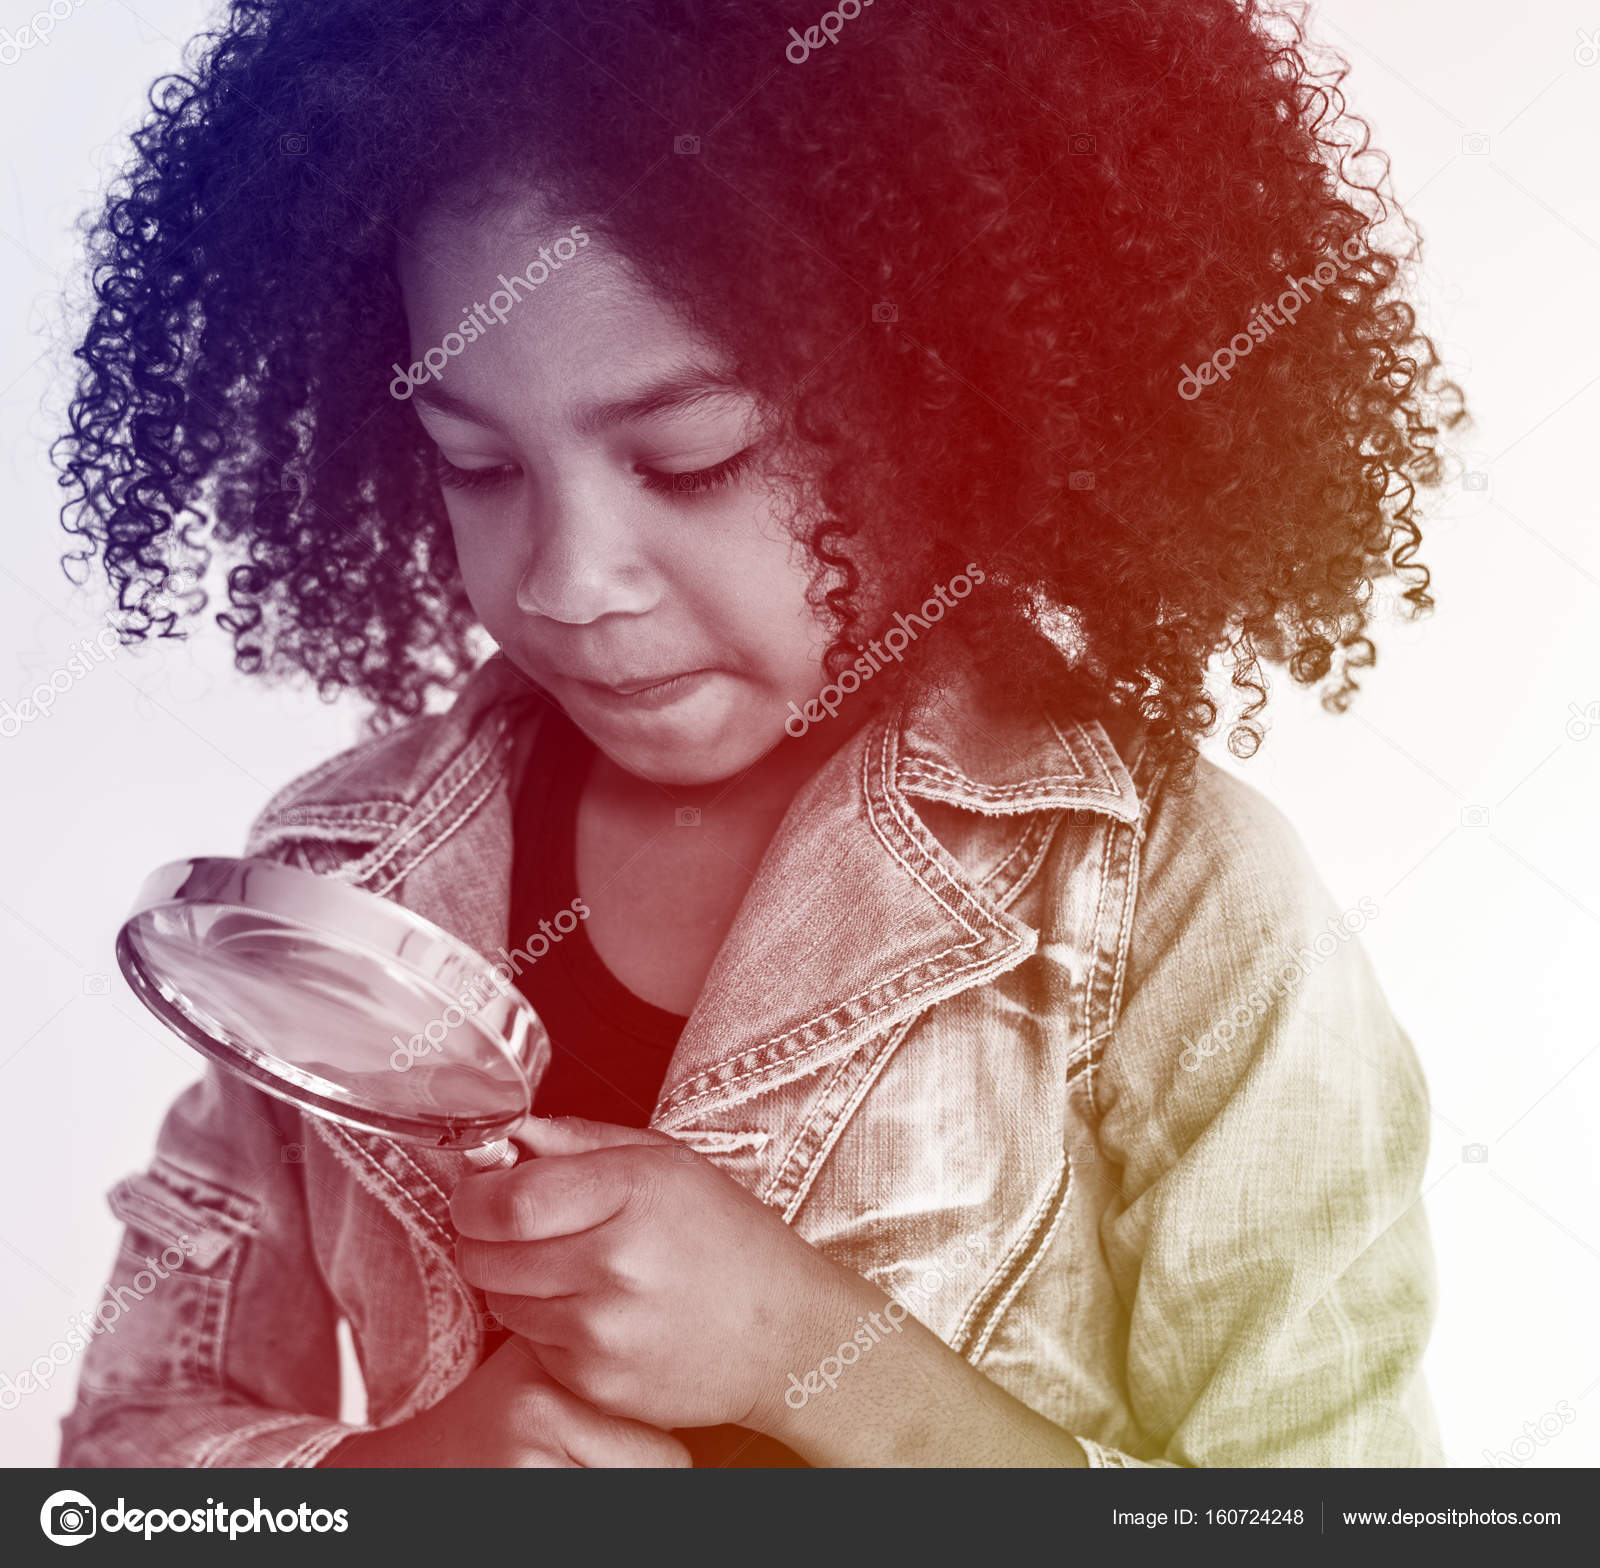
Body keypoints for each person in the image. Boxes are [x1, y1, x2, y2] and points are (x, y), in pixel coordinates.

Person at [54, 0, 1461, 1467]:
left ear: (949, 409)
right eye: (475, 464)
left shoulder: (1172, 903)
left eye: (691, 458)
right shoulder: (346, 876)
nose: (567, 580)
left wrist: (809, 1356)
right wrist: (401, 1481)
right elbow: (118, 1476)